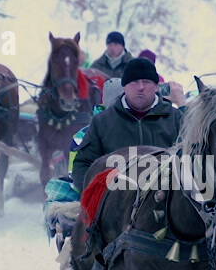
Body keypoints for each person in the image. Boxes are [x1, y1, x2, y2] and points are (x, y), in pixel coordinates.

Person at [71, 57, 186, 192]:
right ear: (124, 86)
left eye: (146, 82)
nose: (141, 87)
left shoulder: (176, 118)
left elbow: (192, 159)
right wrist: (96, 195)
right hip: (116, 203)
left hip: (165, 201)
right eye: (134, 82)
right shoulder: (102, 122)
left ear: (156, 86)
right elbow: (83, 164)